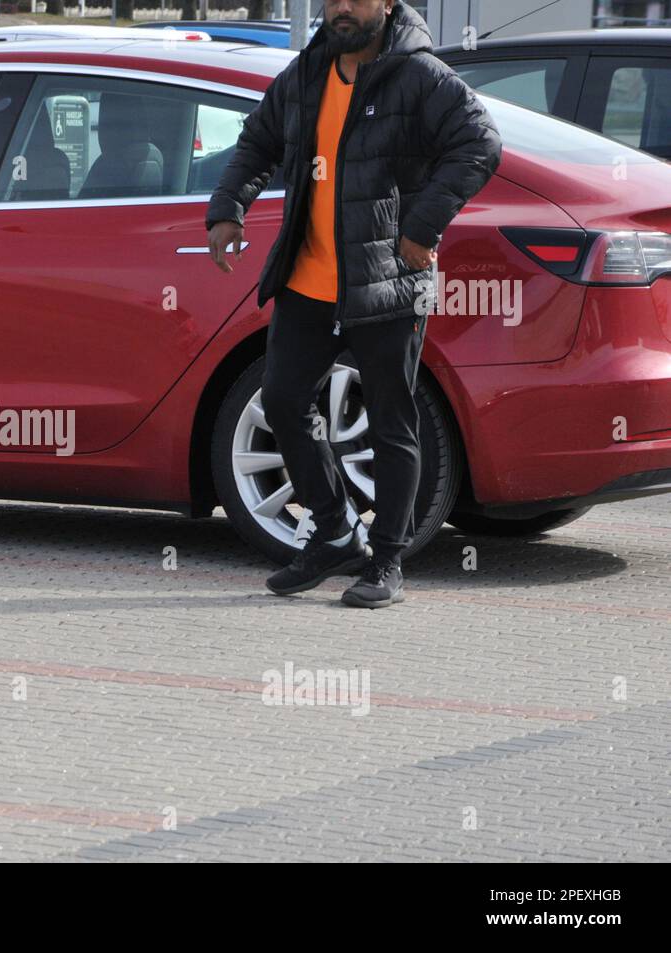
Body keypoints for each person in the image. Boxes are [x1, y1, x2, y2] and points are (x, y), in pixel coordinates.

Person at [206, 0, 501, 608]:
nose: (340, 8)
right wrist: (227, 205)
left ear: (386, 4)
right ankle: (335, 531)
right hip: (307, 281)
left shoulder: (419, 76)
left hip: (386, 281)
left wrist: (422, 227)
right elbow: (257, 140)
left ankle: (387, 561)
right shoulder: (307, 71)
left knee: (393, 423)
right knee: (284, 401)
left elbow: (479, 143)